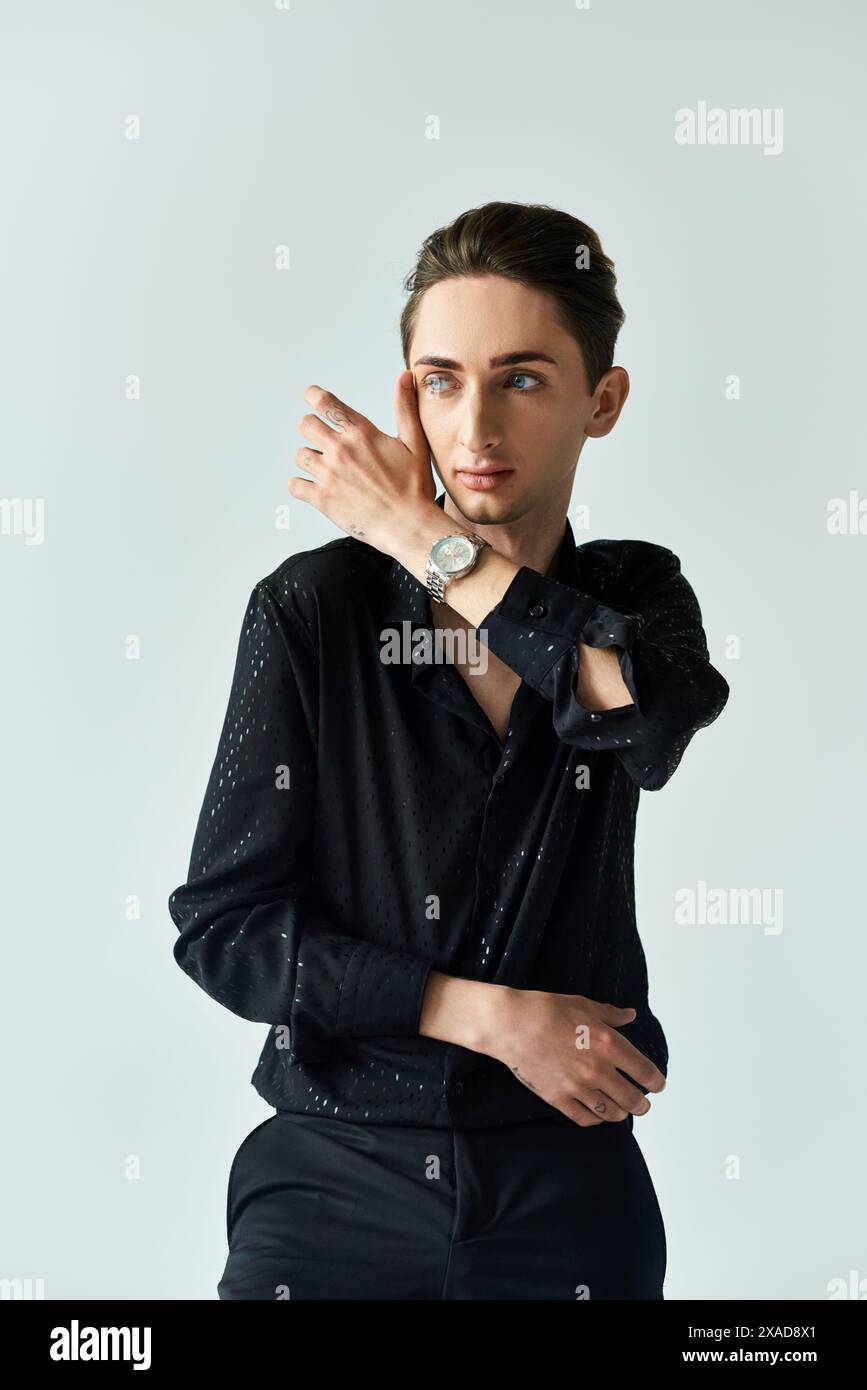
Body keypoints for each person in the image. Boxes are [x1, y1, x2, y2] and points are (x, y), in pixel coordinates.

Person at [168, 200, 730, 1300]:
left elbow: (643, 716)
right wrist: (483, 1013)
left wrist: (421, 540)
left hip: (568, 1182)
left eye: (521, 378)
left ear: (601, 400)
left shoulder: (637, 596)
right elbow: (226, 932)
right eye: (441, 380)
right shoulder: (311, 611)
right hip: (332, 1179)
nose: (474, 429)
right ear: (407, 396)